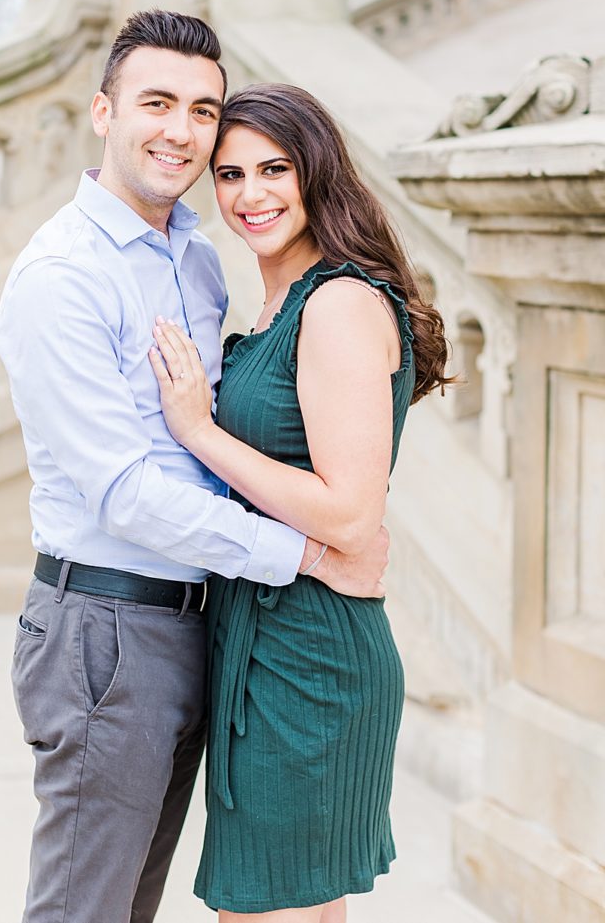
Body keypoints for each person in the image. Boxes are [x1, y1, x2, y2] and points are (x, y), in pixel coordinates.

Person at [0, 10, 391, 923]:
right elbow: (126, 493)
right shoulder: (62, 275)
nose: (181, 130)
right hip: (105, 628)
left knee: (132, 905)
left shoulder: (200, 259)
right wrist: (306, 551)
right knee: (83, 909)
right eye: (157, 102)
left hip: (200, 620)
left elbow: (229, 439)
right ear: (104, 111)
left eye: (203, 111)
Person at [147, 83, 452, 921]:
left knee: (265, 907)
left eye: (274, 169)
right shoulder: (281, 303)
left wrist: (198, 430)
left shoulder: (338, 303)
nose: (251, 194)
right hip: (267, 643)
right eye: (231, 174)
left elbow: (350, 513)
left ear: (316, 171)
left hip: (308, 660)